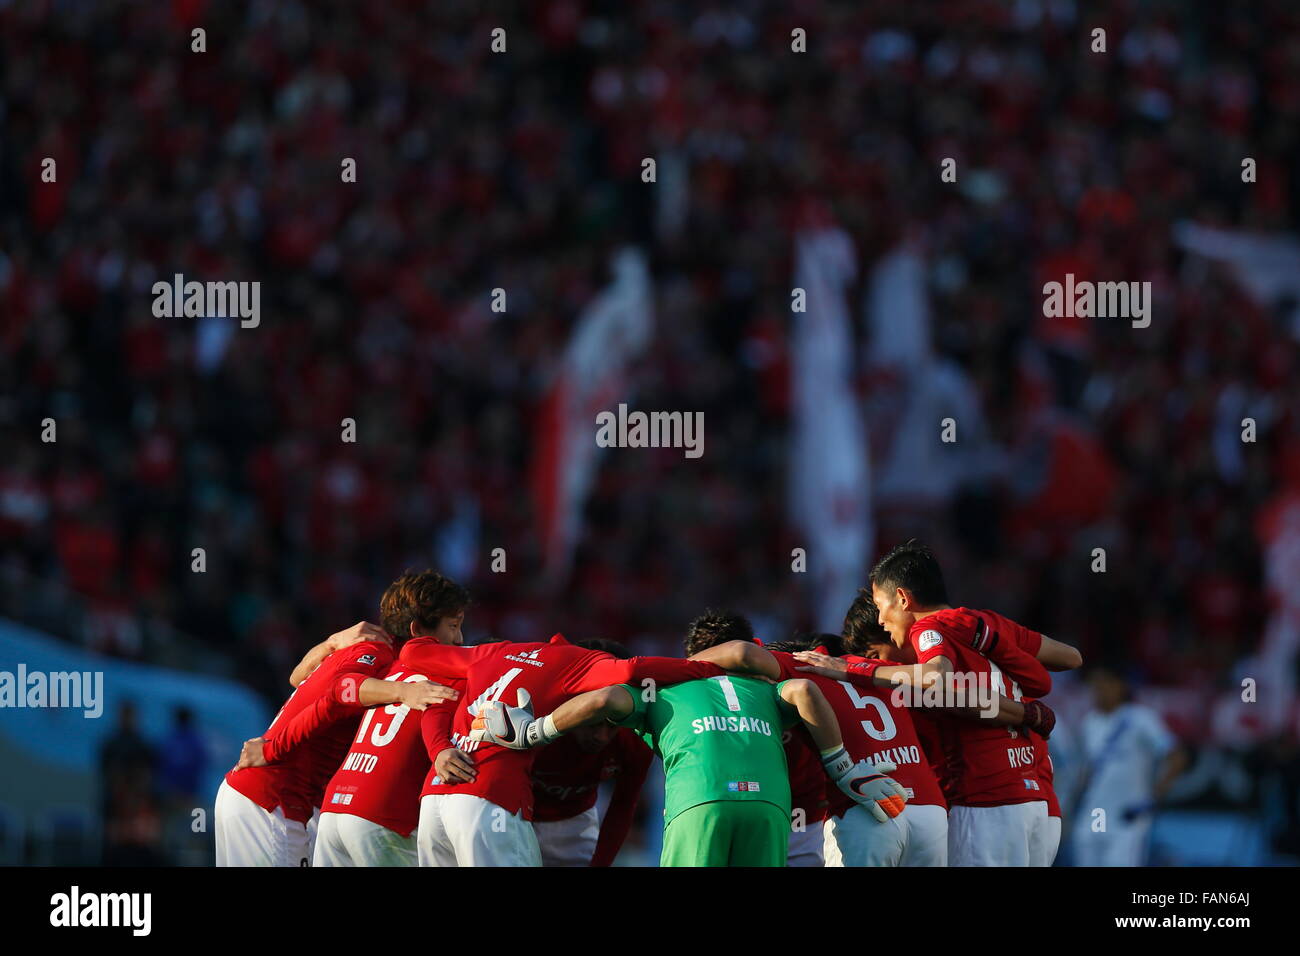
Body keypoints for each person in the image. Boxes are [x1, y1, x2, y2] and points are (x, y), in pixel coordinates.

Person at [473, 611, 908, 867]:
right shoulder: (766, 686)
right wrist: (842, 767)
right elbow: (805, 691)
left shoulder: (663, 686)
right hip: (770, 809)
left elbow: (605, 696)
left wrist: (537, 731)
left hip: (700, 805)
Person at [215, 572, 460, 866]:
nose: (459, 638)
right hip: (273, 799)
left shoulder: (356, 649)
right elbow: (342, 691)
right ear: (417, 628)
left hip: (254, 796)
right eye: (453, 626)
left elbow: (297, 678)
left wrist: (330, 644)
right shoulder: (378, 653)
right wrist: (405, 692)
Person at [529, 639, 654, 867]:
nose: (601, 737)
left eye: (612, 726)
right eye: (593, 723)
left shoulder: (636, 738)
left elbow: (623, 806)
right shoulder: (533, 719)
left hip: (577, 823)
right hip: (520, 818)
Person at [1069, 666, 1186, 867]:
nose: (1097, 690)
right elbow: (1085, 771)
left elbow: (1176, 757)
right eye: (1094, 686)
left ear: (1119, 686)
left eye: (1103, 684)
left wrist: (1153, 797)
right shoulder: (1090, 722)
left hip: (1127, 817)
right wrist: (1070, 807)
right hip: (1092, 815)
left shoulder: (1140, 719)